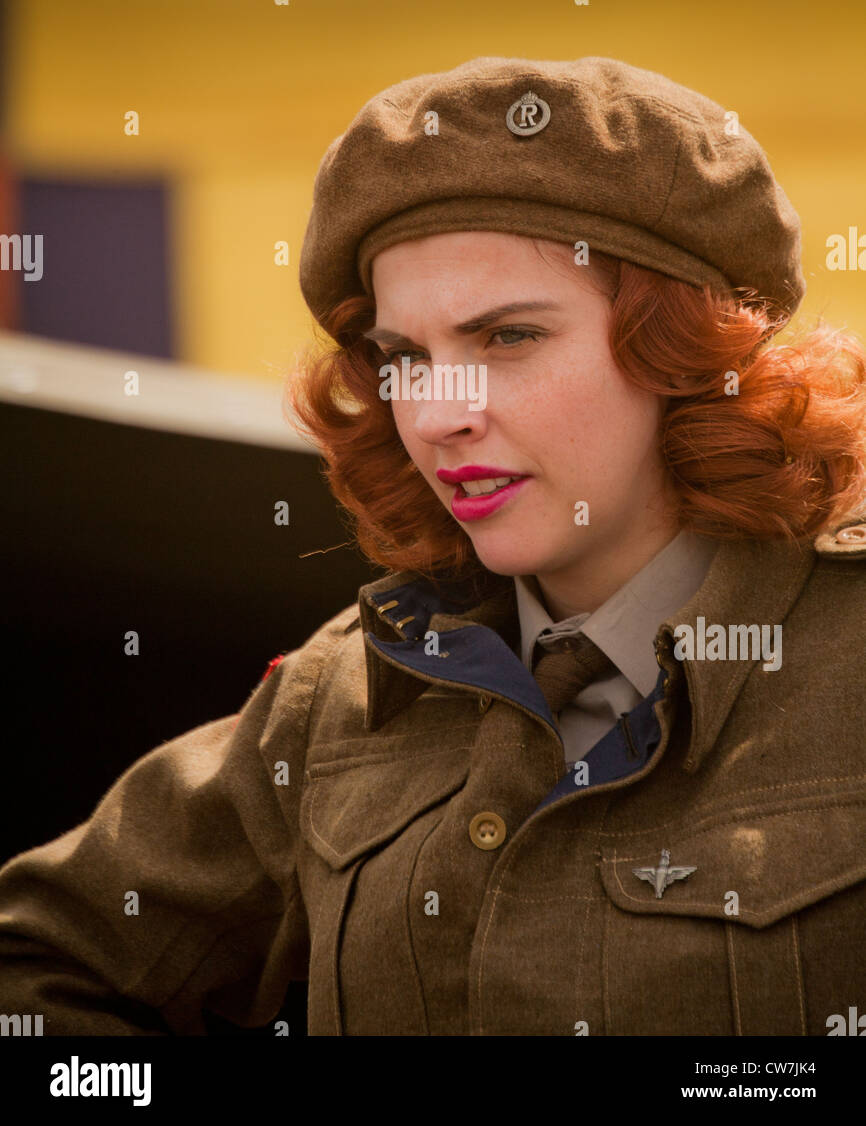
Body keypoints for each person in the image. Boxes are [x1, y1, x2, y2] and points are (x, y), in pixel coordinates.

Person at [1, 54, 865, 1037]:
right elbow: (38, 967)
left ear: (686, 352)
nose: (437, 415)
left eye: (506, 338)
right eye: (402, 356)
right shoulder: (345, 691)